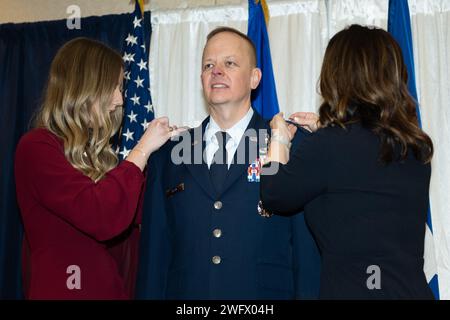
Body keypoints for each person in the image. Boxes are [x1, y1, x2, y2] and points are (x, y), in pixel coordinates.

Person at [135, 27, 321, 299]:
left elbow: (307, 255)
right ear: (201, 77)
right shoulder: (167, 155)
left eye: (230, 63)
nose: (216, 71)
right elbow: (154, 259)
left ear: (254, 78)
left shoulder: (291, 144)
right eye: (208, 65)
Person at [260, 25, 435, 299]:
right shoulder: (415, 147)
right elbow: (365, 171)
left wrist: (279, 140)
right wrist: (328, 134)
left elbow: (273, 193)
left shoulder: (330, 145)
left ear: (338, 76)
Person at [14, 37, 181, 299]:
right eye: (113, 87)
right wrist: (141, 150)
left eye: (121, 88)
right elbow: (100, 216)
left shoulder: (100, 159)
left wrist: (171, 157)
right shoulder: (37, 147)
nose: (119, 100)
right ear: (84, 87)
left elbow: (144, 213)